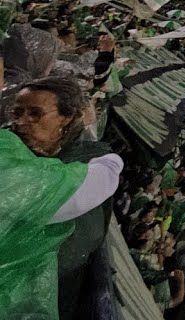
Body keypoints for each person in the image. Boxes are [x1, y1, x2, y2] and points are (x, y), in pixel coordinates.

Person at [0, 127, 123, 320]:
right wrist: (103, 153)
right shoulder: (14, 165)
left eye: (35, 113)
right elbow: (94, 183)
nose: (23, 122)